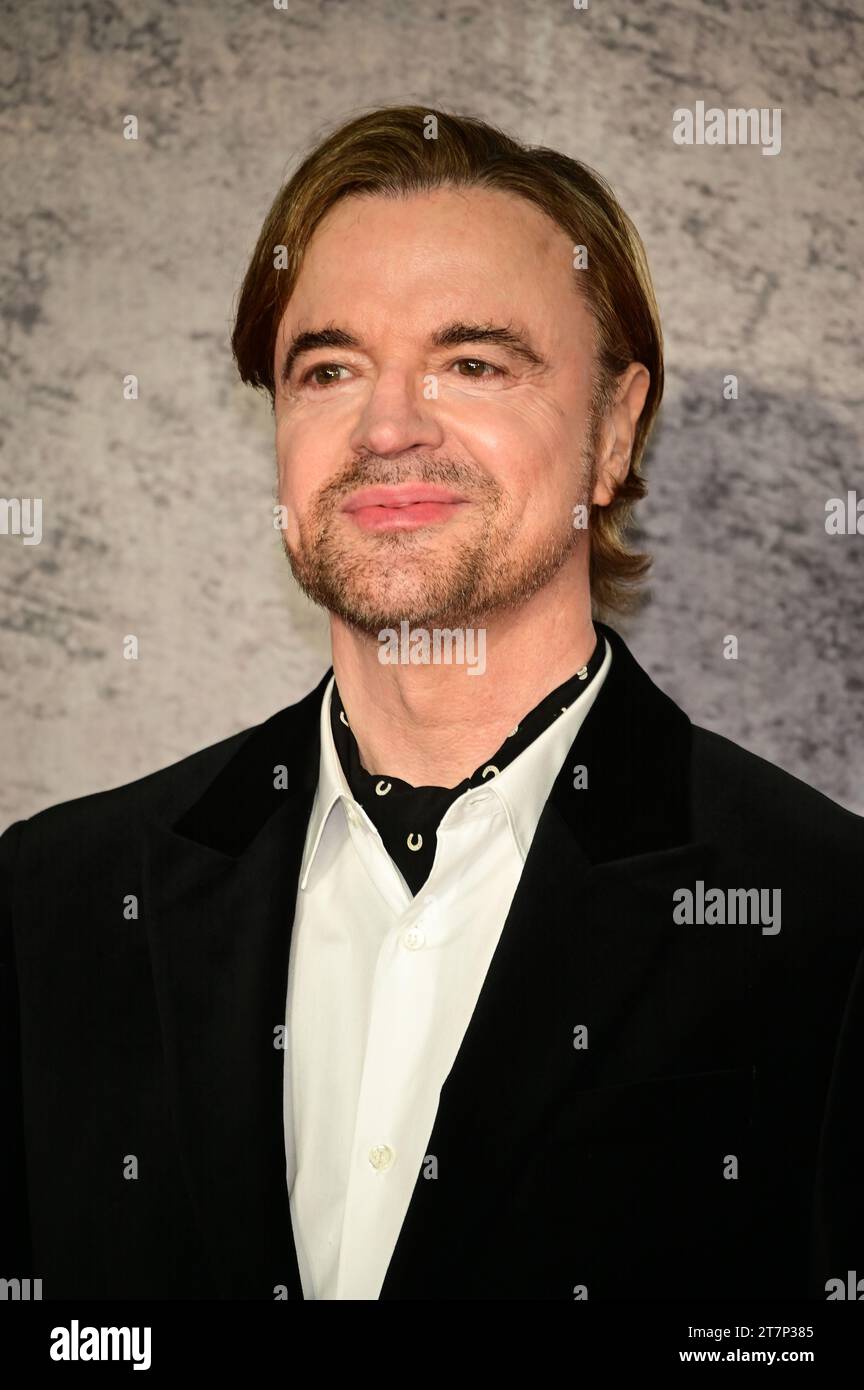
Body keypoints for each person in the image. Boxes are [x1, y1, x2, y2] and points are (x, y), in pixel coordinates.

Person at [2, 106, 861, 1301]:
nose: (389, 427)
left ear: (614, 431)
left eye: (474, 364)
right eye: (330, 369)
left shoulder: (829, 921)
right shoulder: (51, 905)